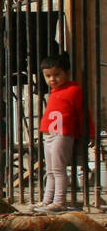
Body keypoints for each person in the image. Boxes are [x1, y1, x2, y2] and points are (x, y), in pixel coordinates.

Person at [34, 52, 95, 211]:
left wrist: (91, 133)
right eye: (48, 76)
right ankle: (47, 201)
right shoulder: (54, 93)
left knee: (58, 170)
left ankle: (59, 202)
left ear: (66, 73)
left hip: (62, 134)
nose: (52, 79)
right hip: (48, 136)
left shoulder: (74, 90)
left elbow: (84, 113)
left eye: (56, 74)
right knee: (50, 170)